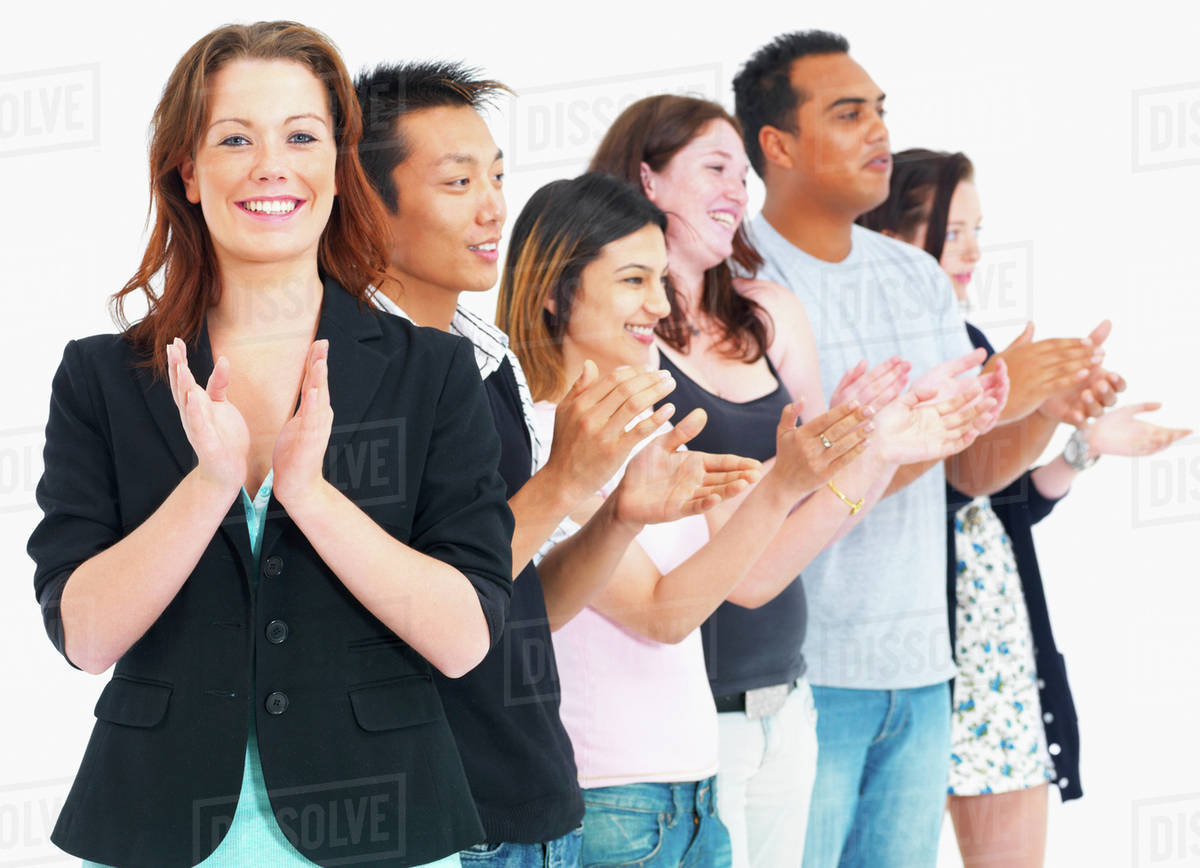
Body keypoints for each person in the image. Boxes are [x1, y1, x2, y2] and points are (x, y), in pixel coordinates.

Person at [27, 22, 516, 868]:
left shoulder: (433, 372)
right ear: (188, 168)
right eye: (234, 139)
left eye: (300, 136)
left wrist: (314, 497)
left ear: (338, 163)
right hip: (157, 826)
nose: (270, 166)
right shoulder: (103, 377)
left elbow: (466, 637)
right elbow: (85, 637)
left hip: (385, 822)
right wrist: (209, 483)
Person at [353, 62, 759, 868]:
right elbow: (417, 608)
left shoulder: (488, 363)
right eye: (458, 180)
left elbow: (525, 604)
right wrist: (568, 481)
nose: (492, 205)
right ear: (370, 205)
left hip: (539, 796)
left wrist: (618, 515)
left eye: (497, 176)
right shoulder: (360, 373)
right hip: (453, 814)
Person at [586, 93, 1005, 867]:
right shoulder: (621, 344)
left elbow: (808, 501)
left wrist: (881, 435)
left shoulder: (770, 312)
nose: (737, 193)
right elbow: (749, 540)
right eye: (714, 168)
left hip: (785, 697)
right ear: (647, 180)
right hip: (684, 719)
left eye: (742, 174)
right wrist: (853, 450)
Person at [497, 170, 920, 866]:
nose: (659, 304)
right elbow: (664, 615)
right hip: (614, 798)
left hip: (693, 787)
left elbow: (750, 576)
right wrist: (782, 487)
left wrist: (865, 457)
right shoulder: (538, 441)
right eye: (634, 280)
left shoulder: (650, 425)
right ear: (553, 291)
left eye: (661, 280)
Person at [729, 30, 1049, 867]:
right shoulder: (740, 283)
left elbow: (966, 472)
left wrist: (1036, 410)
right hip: (804, 674)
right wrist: (918, 430)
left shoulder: (914, 277)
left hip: (921, 668)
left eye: (879, 111)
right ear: (778, 144)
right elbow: (786, 482)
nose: (878, 132)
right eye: (848, 113)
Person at [860, 147, 1191, 867]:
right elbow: (929, 492)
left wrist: (1077, 444)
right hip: (900, 665)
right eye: (954, 233)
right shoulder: (861, 355)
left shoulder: (976, 347)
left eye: (978, 230)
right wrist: (1026, 397)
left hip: (997, 660)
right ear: (889, 239)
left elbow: (995, 505)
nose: (975, 252)